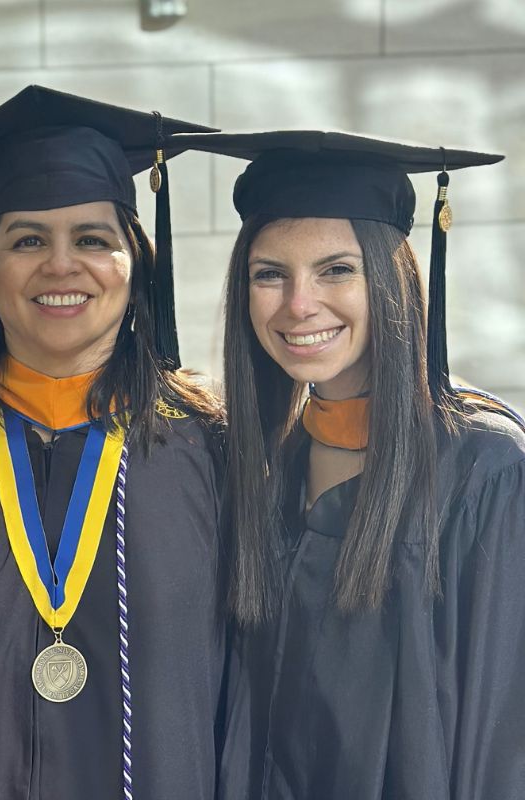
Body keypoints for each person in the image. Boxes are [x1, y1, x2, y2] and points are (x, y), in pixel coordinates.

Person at [0, 85, 227, 800]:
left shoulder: (211, 449)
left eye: (93, 240)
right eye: (28, 239)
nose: (61, 265)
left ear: (135, 270)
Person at [177, 129, 525, 799]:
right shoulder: (269, 470)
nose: (299, 305)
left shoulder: (486, 470)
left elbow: (504, 747)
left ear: (391, 281)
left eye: (337, 269)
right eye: (269, 274)